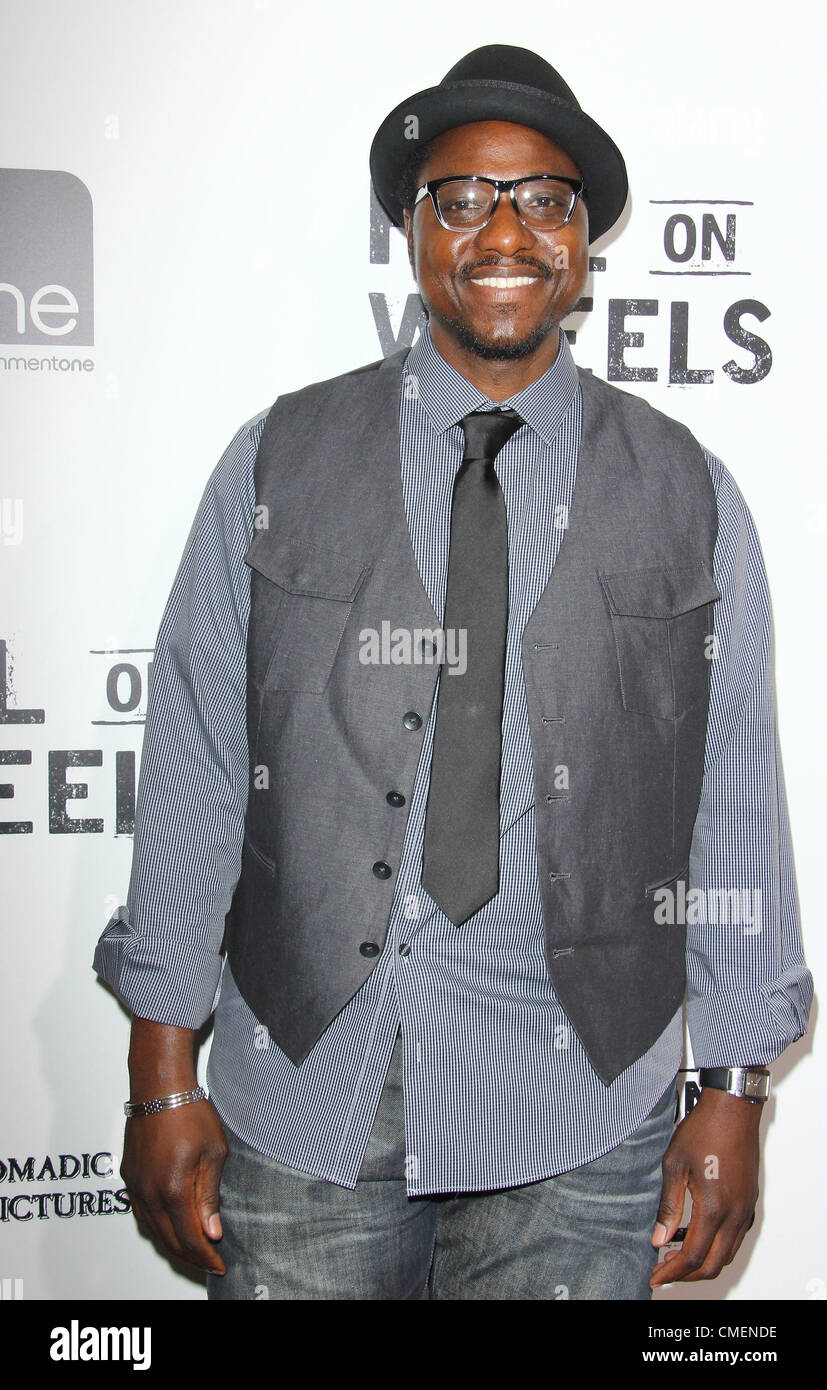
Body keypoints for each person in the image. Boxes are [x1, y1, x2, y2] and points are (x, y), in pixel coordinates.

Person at [93, 44, 812, 1301]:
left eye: (543, 197)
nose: (504, 229)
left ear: (582, 237)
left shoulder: (686, 488)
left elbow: (729, 799)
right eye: (462, 197)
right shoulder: (275, 461)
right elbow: (202, 756)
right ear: (415, 231)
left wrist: (733, 1091)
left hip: (580, 1110)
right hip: (309, 1096)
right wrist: (162, 1071)